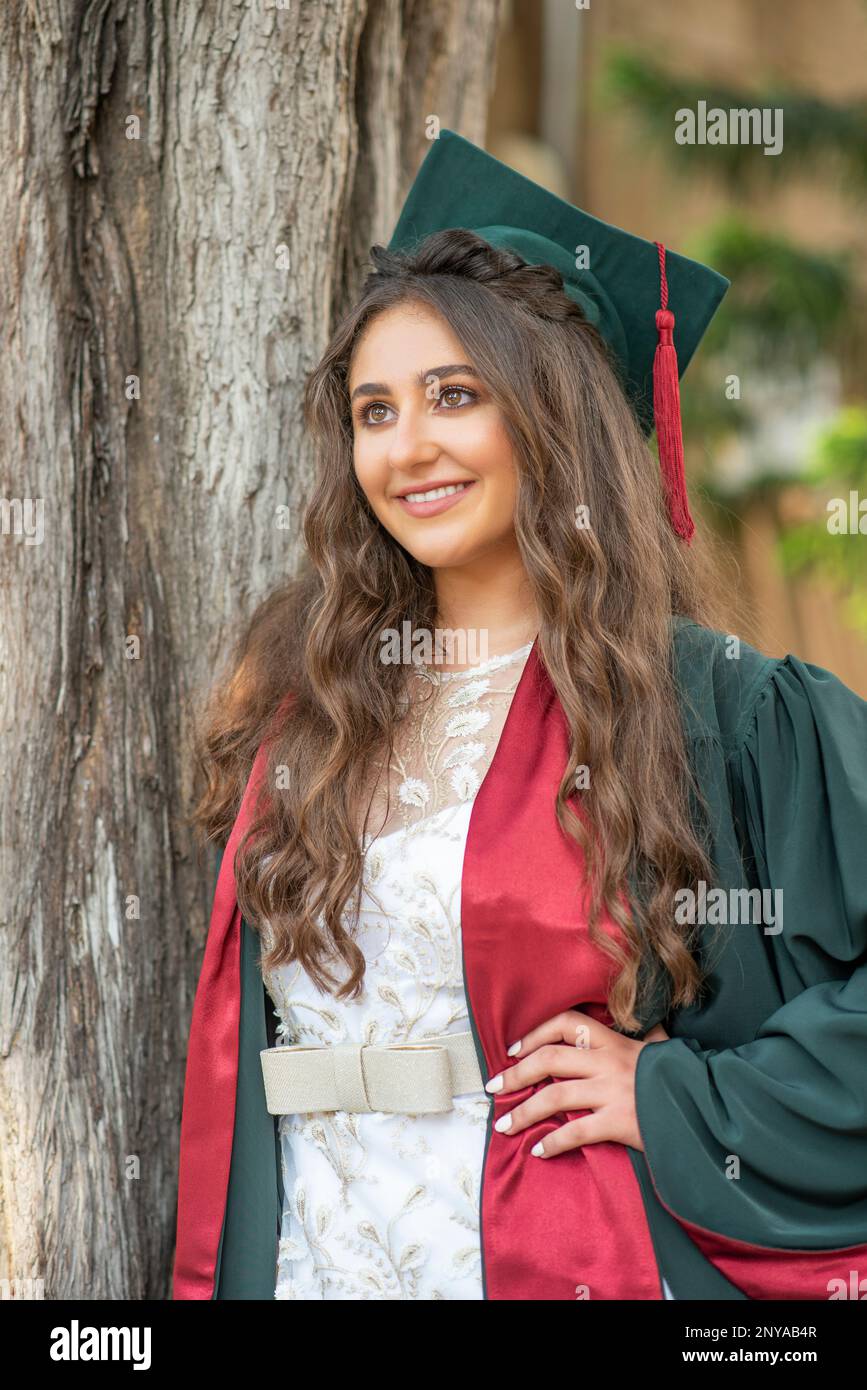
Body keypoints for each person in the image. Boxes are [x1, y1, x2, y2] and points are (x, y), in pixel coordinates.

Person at [172, 130, 867, 1301]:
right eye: (374, 409)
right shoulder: (318, 702)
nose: (410, 446)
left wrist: (680, 1100)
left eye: (456, 396)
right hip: (311, 1260)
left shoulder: (710, 706)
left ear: (551, 415)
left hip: (544, 1259)